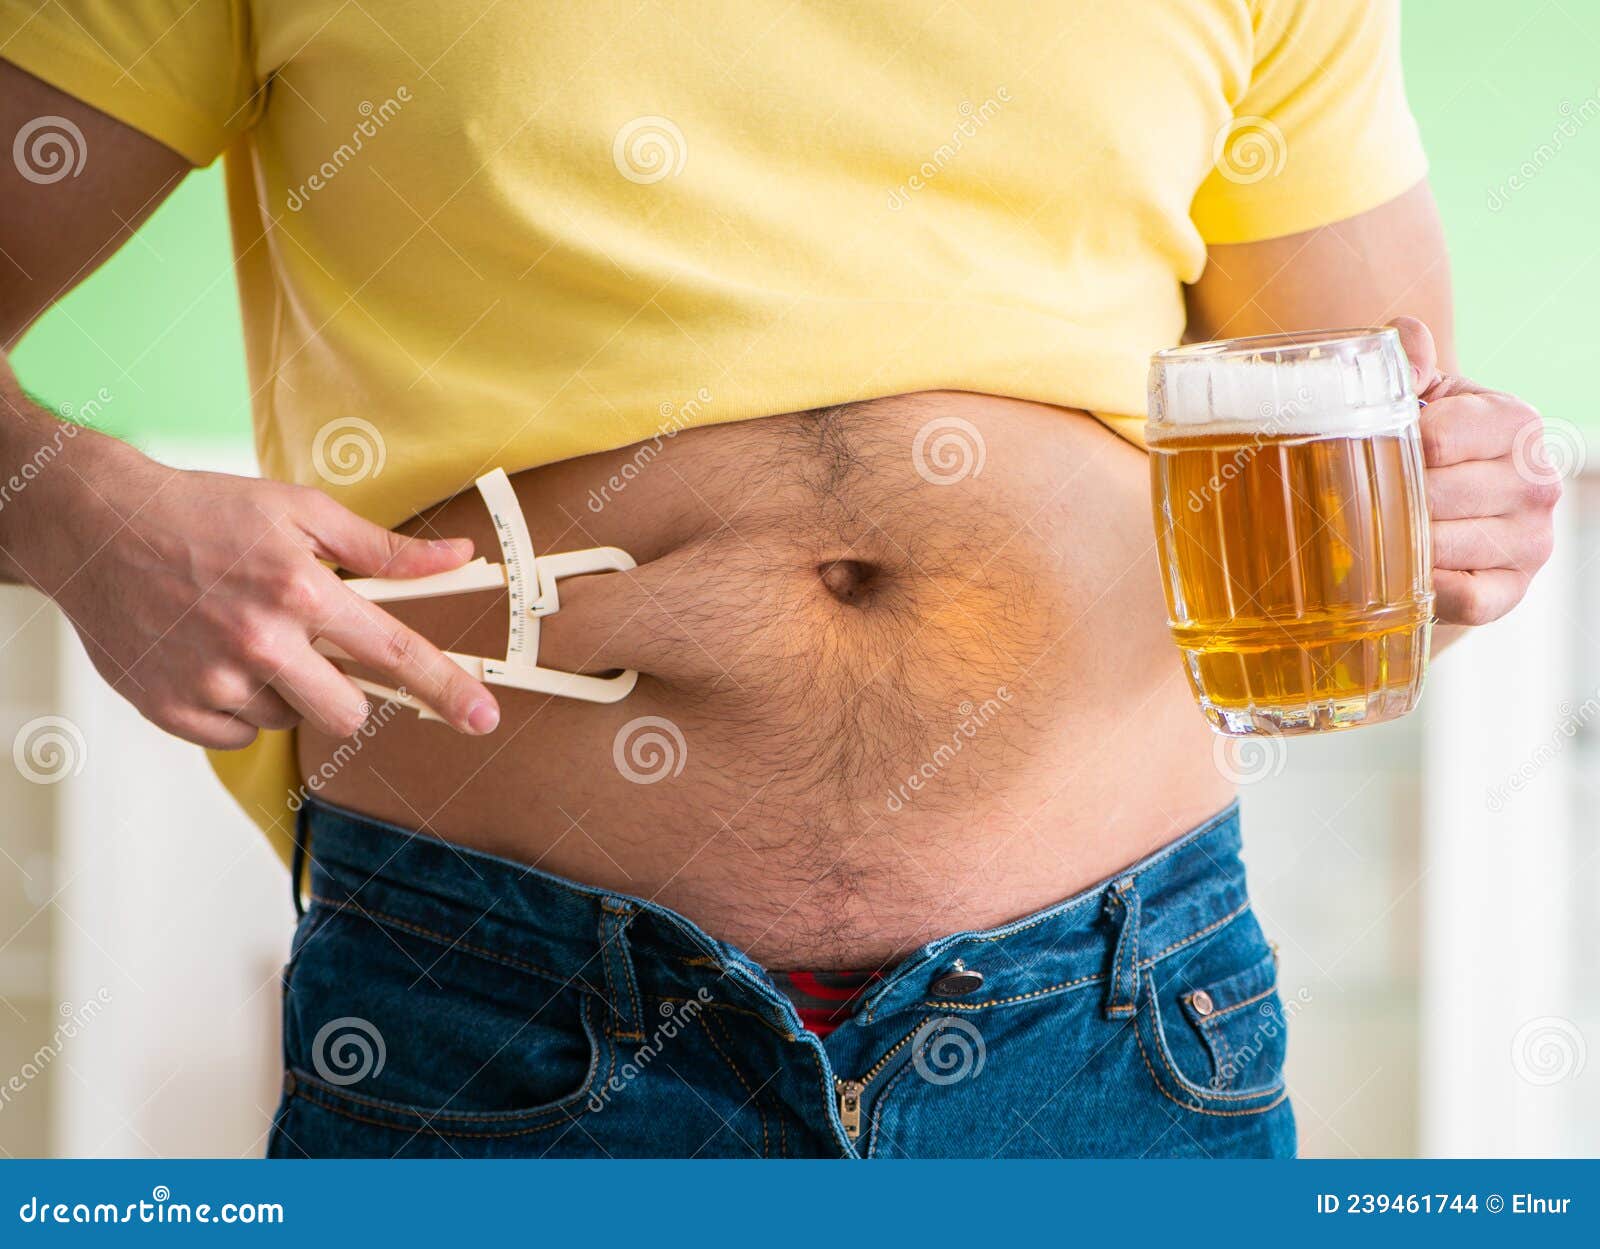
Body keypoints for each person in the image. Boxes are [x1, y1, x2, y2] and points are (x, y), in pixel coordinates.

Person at [0, 1, 1558, 1158]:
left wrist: (1466, 515)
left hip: (1113, 1015)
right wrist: (77, 512)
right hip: (504, 1010)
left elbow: (1399, 454)